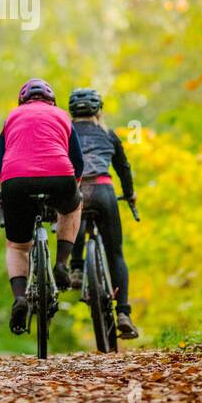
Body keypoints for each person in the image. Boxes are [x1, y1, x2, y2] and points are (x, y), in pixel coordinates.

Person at [0, 79, 84, 335]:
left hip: (16, 180)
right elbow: (77, 161)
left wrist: (2, 192)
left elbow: (0, 163)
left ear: (22, 101)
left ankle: (20, 297)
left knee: (17, 245)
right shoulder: (62, 116)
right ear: (52, 100)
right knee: (72, 207)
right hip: (60, 176)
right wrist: (73, 188)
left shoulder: (11, 117)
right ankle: (62, 264)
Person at [67, 87, 139, 339]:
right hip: (104, 190)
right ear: (99, 110)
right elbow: (124, 168)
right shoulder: (108, 134)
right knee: (115, 253)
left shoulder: (65, 133)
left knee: (71, 214)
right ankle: (123, 313)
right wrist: (129, 194)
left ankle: (75, 268)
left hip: (75, 189)